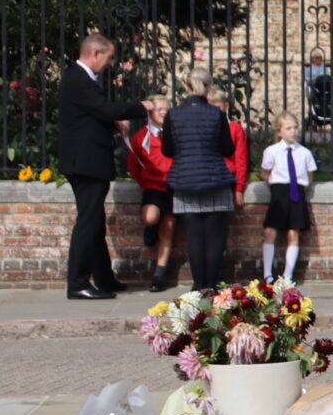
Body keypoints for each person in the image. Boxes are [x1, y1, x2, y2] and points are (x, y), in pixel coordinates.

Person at [55, 33, 148, 299]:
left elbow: (91, 115)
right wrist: (143, 106)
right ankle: (78, 283)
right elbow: (105, 109)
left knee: (95, 220)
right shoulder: (79, 79)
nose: (109, 63)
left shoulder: (81, 79)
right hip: (86, 162)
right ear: (95, 53)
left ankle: (104, 279)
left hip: (88, 161)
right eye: (108, 57)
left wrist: (112, 123)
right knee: (88, 221)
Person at [160, 77, 238, 293]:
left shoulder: (173, 114)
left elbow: (167, 149)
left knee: (194, 236)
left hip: (185, 179)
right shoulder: (217, 114)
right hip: (215, 178)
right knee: (214, 237)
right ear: (208, 88)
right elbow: (227, 148)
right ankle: (212, 285)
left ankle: (198, 285)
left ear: (185, 87)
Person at [125, 96, 177, 291]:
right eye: (159, 109)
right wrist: (145, 182)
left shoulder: (174, 134)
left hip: (172, 186)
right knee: (150, 217)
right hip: (153, 187)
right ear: (150, 113)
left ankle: (159, 273)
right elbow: (134, 166)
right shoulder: (141, 137)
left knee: (169, 226)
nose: (163, 112)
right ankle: (150, 228)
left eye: (166, 109)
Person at [259, 114, 317, 284]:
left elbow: (309, 175)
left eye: (295, 127)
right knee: (270, 231)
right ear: (279, 132)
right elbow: (265, 172)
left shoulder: (304, 153)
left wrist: (299, 188)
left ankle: (288, 275)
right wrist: (274, 186)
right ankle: (267, 274)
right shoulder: (272, 151)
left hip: (296, 192)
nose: (293, 131)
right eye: (288, 128)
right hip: (279, 192)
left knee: (293, 233)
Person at [303, 50, 333, 131]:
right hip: (313, 87)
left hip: (323, 88)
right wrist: (312, 79)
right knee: (313, 101)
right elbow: (305, 77)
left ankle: (328, 115)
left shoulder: (323, 67)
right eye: (317, 58)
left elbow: (327, 76)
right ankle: (313, 118)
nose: (319, 59)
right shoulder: (308, 67)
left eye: (320, 58)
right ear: (312, 59)